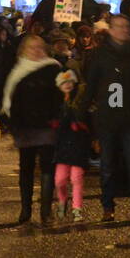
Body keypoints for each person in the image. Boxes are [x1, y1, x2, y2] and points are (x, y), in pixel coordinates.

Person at [78, 13, 130, 222]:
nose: (123, 30)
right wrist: (81, 114)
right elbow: (91, 86)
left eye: (126, 27)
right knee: (108, 164)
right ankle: (108, 206)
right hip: (108, 119)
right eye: (118, 26)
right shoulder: (101, 56)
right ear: (110, 30)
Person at [1, 34, 62, 225]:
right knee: (26, 167)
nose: (36, 51)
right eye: (31, 48)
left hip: (47, 125)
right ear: (23, 51)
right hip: (25, 127)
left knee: (47, 167)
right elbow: (9, 99)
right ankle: (25, 208)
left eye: (40, 47)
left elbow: (63, 95)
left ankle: (45, 209)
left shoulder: (54, 68)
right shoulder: (17, 71)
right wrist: (13, 122)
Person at [53, 70, 90, 221]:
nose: (67, 85)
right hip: (62, 148)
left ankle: (77, 208)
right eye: (63, 83)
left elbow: (87, 120)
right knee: (60, 179)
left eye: (69, 82)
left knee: (76, 179)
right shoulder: (57, 103)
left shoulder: (80, 102)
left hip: (77, 146)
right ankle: (62, 202)